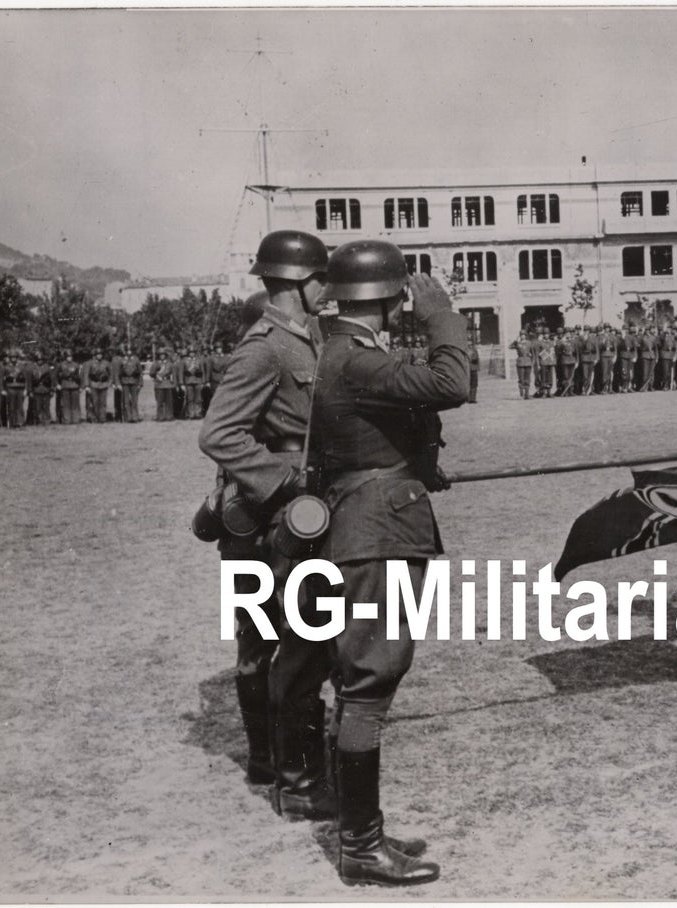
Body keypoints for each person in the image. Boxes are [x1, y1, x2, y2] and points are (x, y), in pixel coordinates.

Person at [310, 240, 466, 887]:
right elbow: (452, 381)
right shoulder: (355, 359)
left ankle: (362, 832)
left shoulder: (348, 354)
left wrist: (416, 460)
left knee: (366, 685)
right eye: (405, 292)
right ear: (390, 296)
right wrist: (442, 315)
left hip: (374, 523)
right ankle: (360, 846)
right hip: (377, 534)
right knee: (371, 684)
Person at [199, 229, 336, 822]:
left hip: (292, 513)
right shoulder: (265, 347)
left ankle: (282, 758)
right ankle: (275, 764)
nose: (328, 288)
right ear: (297, 284)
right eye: (321, 279)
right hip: (261, 518)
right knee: (266, 641)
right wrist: (284, 483)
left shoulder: (311, 338)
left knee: (305, 636)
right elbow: (218, 434)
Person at [0, 355, 29, 428]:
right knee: (11, 406)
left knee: (20, 406)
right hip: (10, 388)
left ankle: (20, 422)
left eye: (15, 357)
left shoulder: (21, 367)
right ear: (10, 359)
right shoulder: (6, 367)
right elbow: (2, 380)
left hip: (20, 388)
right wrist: (2, 390)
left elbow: (26, 379)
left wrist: (26, 389)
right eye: (12, 358)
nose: (13, 359)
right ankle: (12, 423)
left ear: (17, 358)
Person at [119, 347, 144, 422]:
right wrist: (119, 383)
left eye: (130, 351)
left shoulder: (136, 360)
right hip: (125, 382)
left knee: (134, 400)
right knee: (126, 400)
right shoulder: (122, 360)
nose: (129, 352)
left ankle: (135, 416)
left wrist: (140, 383)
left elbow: (140, 372)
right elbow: (119, 373)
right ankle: (128, 417)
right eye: (127, 351)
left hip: (134, 381)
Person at [152, 352, 178, 421]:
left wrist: (174, 384)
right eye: (160, 355)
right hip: (159, 384)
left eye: (163, 355)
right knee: (160, 401)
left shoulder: (170, 364)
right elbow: (151, 373)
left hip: (168, 384)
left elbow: (173, 374)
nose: (162, 356)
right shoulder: (156, 363)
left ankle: (169, 416)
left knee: (169, 401)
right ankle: (160, 416)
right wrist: (157, 376)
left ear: (165, 356)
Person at [512, 331, 533, 400]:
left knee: (527, 379)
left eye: (524, 335)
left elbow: (532, 352)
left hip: (528, 361)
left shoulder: (529, 343)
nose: (523, 336)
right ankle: (521, 392)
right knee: (521, 379)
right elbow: (510, 346)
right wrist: (515, 340)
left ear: (526, 336)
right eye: (521, 335)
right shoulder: (518, 343)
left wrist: (531, 358)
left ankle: (527, 394)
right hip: (520, 362)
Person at [467, 334, 480, 403]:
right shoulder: (465, 350)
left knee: (474, 384)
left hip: (474, 369)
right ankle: (468, 398)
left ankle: (473, 398)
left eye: (470, 341)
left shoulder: (474, 350)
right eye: (468, 341)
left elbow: (477, 359)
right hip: (467, 369)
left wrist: (478, 367)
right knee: (468, 384)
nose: (469, 343)